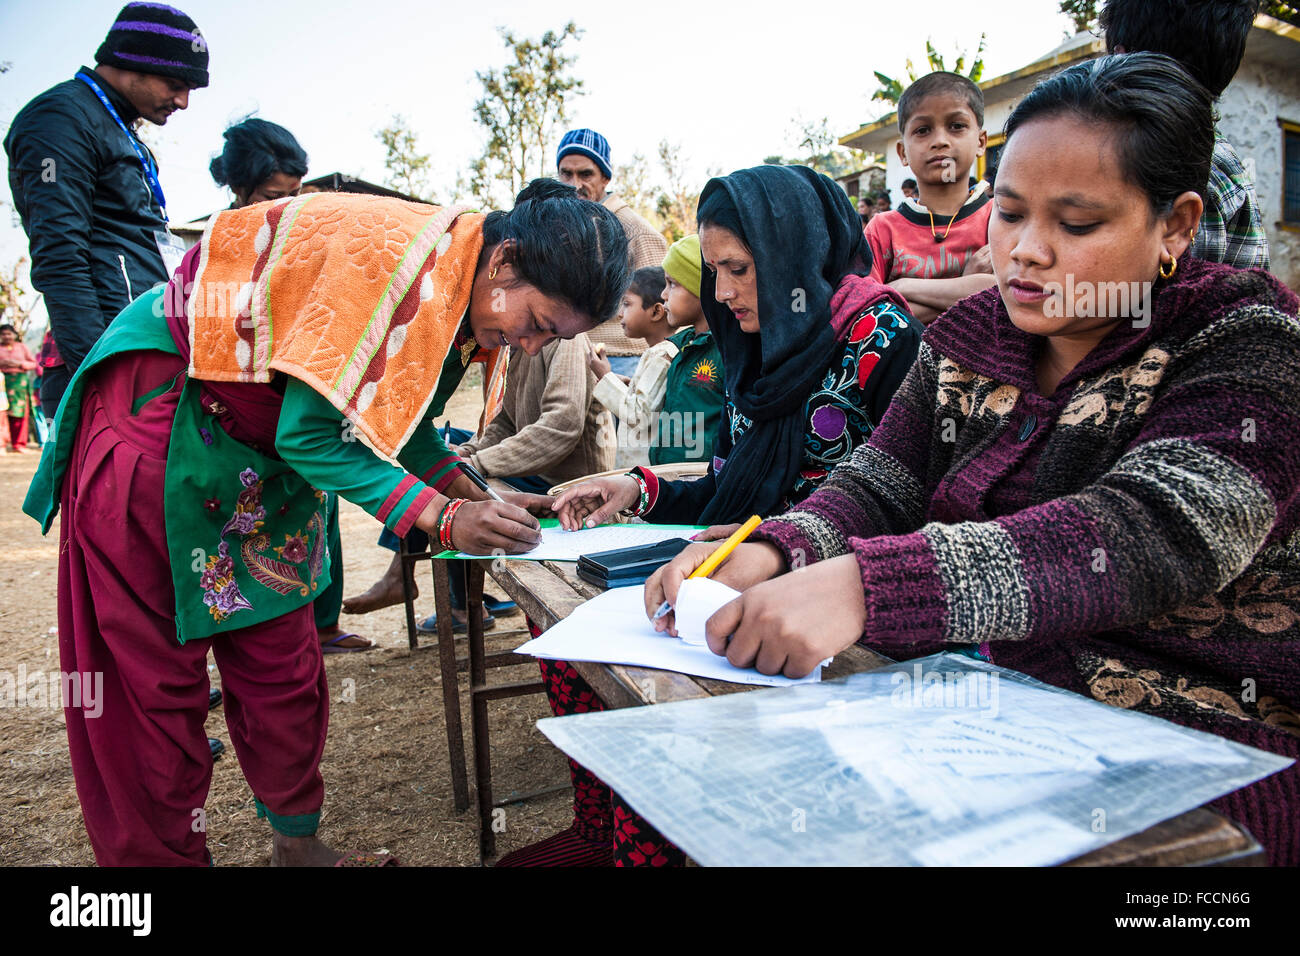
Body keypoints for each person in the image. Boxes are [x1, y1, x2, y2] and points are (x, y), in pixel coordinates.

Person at [651, 54, 1300, 866]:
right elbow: (882, 482)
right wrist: (777, 545)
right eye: (1012, 213)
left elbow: (1162, 526)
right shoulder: (969, 339)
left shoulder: (1243, 338)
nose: (1025, 252)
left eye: (1078, 223)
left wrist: (869, 584)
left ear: (1173, 225)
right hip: (977, 706)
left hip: (1203, 736)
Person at [23, 182, 629, 866]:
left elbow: (393, 420)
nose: (528, 344)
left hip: (259, 462)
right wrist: (444, 516)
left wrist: (477, 492)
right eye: (538, 323)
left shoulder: (462, 287)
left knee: (283, 666)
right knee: (152, 690)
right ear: (506, 260)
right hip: (166, 425)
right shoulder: (397, 265)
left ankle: (296, 845)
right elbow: (312, 435)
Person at [496, 164, 923, 867]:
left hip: (832, 590)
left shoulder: (881, 341)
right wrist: (638, 490)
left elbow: (898, 501)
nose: (721, 292)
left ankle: (650, 852)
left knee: (672, 715)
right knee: (573, 641)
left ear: (797, 255)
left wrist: (773, 543)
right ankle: (599, 831)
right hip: (726, 567)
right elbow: (730, 480)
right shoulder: (749, 349)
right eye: (716, 270)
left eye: (740, 269)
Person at [4, 3, 208, 424]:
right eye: (174, 83)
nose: (183, 102)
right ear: (130, 61)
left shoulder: (116, 127)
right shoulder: (60, 120)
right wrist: (97, 374)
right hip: (107, 357)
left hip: (136, 344)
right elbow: (60, 256)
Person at [1100, 0, 1270, 270]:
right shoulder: (1213, 155)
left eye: (1078, 224)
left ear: (1122, 59)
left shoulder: (1182, 167)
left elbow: (1160, 299)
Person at [867, 72, 996, 323]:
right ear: (903, 152)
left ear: (981, 142)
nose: (940, 141)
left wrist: (901, 287)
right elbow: (867, 317)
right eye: (923, 130)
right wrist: (967, 286)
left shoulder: (1000, 218)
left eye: (956, 126)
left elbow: (1009, 297)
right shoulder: (883, 230)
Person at [557, 128, 668, 377]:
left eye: (586, 174)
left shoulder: (637, 232)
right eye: (566, 173)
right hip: (571, 358)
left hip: (623, 360)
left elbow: (662, 312)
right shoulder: (561, 230)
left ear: (605, 178)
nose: (575, 184)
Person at [588, 266, 677, 468]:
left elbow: (640, 416)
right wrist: (628, 385)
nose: (620, 314)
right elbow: (652, 403)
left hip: (643, 474)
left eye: (627, 304)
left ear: (656, 311)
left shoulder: (661, 357)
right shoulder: (659, 353)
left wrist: (605, 375)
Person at [649, 235, 724, 466]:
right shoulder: (681, 346)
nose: (663, 294)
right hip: (667, 476)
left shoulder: (725, 353)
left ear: (701, 288)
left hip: (701, 480)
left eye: (672, 284)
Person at [0, 325, 38, 452]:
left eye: (9, 334)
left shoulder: (21, 347)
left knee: (20, 413)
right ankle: (2, 444)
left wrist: (20, 364)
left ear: (15, 335)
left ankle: (19, 444)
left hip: (19, 383)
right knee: (2, 414)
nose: (6, 336)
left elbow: (34, 363)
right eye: (4, 334)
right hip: (2, 382)